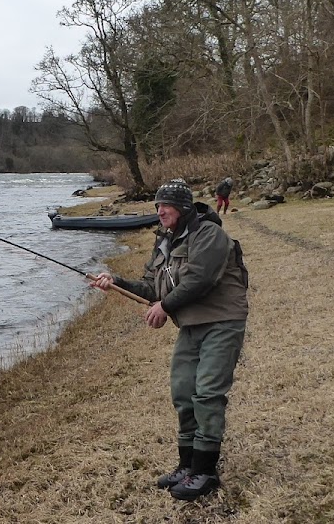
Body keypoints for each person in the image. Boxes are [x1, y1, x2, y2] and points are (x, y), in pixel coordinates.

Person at [89, 178, 249, 501]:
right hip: (191, 324)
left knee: (207, 393)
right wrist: (115, 281)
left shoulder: (210, 234)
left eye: (165, 205)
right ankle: (187, 465)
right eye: (157, 206)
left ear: (183, 207)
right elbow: (152, 286)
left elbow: (199, 281)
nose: (159, 211)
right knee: (182, 390)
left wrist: (164, 307)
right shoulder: (165, 240)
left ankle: (205, 471)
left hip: (222, 320)